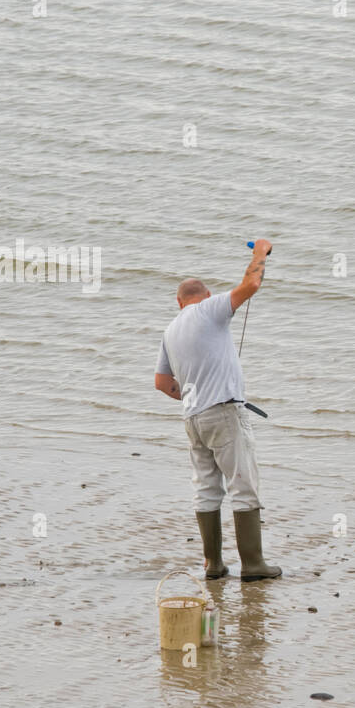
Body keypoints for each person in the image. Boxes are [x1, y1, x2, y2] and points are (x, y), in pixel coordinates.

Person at [153, 241, 280, 581]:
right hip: (223, 413)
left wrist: (191, 395)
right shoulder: (209, 310)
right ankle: (253, 565)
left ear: (179, 302)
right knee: (243, 485)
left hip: (193, 418)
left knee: (207, 487)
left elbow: (162, 382)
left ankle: (214, 564)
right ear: (207, 296)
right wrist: (260, 253)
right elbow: (251, 285)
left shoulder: (171, 329)